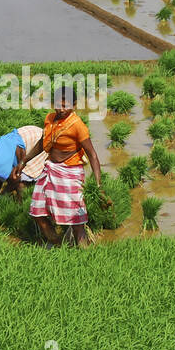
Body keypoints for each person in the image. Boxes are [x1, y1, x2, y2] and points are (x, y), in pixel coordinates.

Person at [18, 85, 107, 247]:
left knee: (76, 220)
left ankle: (85, 253)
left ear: (74, 105)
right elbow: (43, 143)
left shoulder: (77, 125)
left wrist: (98, 184)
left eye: (66, 105)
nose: (61, 109)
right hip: (50, 170)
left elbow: (92, 155)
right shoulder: (50, 119)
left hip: (70, 173)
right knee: (37, 212)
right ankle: (57, 242)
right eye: (58, 104)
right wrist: (24, 160)